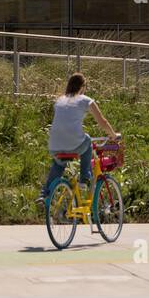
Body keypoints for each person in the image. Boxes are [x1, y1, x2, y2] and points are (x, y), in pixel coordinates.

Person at [41, 73, 120, 202]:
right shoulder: (85, 99)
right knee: (87, 141)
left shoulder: (60, 99)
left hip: (54, 144)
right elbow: (102, 122)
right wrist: (113, 135)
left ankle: (44, 193)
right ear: (82, 87)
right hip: (74, 142)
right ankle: (84, 179)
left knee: (59, 164)